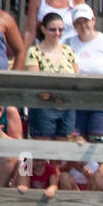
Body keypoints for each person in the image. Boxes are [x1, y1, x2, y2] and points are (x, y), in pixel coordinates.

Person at [68, 5, 103, 140]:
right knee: (77, 142)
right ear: (74, 25)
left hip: (102, 100)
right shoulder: (68, 43)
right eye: (79, 22)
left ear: (93, 21)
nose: (83, 26)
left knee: (101, 144)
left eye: (86, 21)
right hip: (76, 101)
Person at [24, 12, 79, 141]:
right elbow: (34, 80)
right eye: (53, 29)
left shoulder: (69, 51)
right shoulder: (34, 52)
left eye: (60, 29)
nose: (57, 33)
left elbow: (77, 78)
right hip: (43, 104)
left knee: (64, 150)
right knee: (43, 150)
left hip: (67, 105)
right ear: (43, 29)